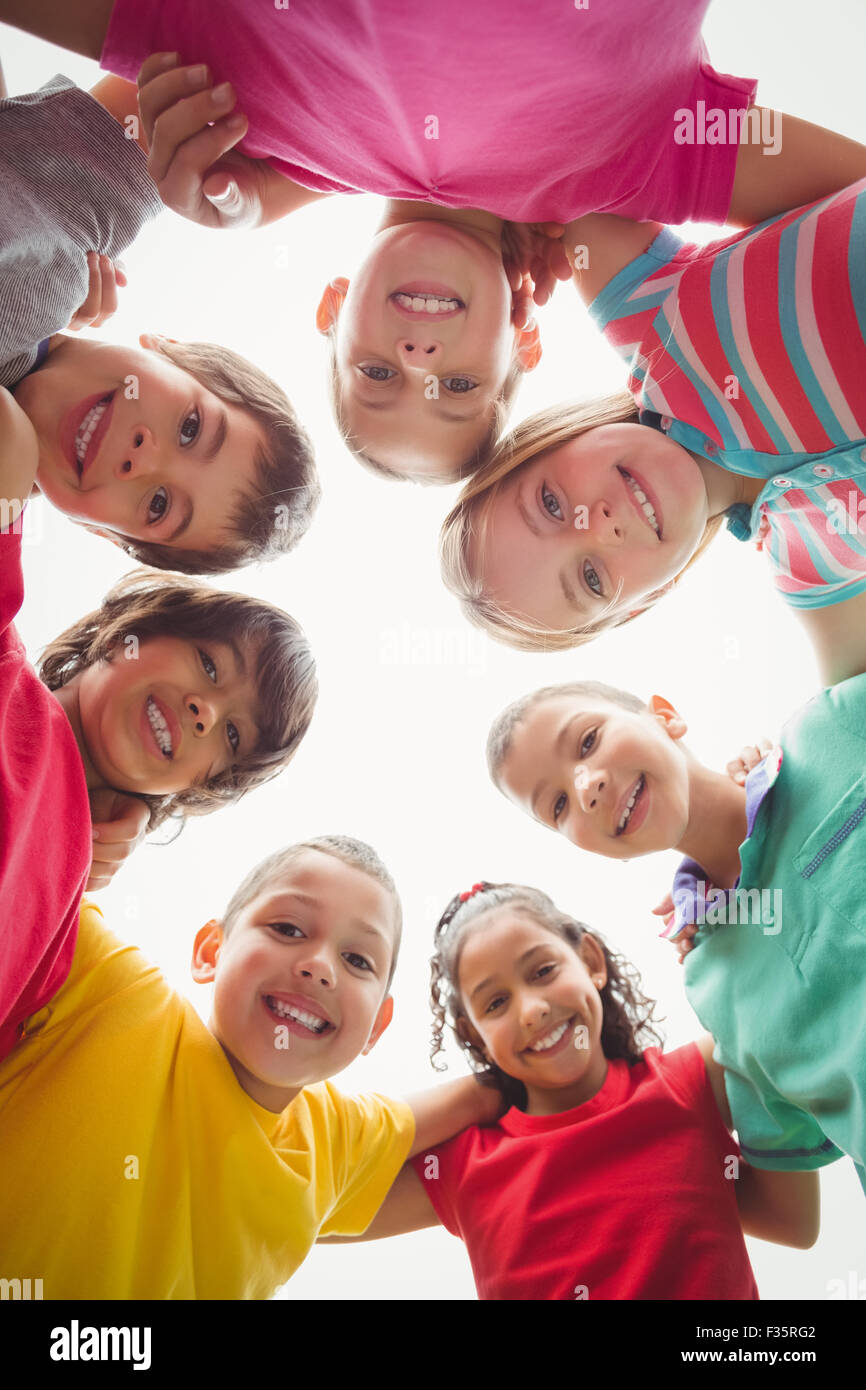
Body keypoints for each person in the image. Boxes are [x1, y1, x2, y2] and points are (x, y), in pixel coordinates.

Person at [0, 837, 503, 1298]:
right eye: (287, 928)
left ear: (377, 1026)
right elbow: (27, 857)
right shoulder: (113, 990)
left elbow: (488, 1097)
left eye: (357, 960)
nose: (320, 967)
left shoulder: (332, 1139)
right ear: (210, 952)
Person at [440, 174, 866, 685]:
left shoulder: (649, 309)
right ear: (644, 605)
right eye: (592, 579)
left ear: (553, 438)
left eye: (551, 504)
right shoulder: (813, 569)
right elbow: (846, 715)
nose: (598, 526)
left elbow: (554, 151)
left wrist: (501, 236)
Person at [321, 882, 818, 1300]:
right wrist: (475, 1095)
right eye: (495, 1004)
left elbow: (784, 1019)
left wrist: (725, 911)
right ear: (476, 1039)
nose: (531, 1010)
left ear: (590, 961)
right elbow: (310, 1201)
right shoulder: (466, 1167)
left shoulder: (689, 1083)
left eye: (542, 971)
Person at [486, 677, 866, 1193]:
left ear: (664, 715)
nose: (586, 789)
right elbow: (790, 1173)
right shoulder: (712, 984)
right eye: (557, 807)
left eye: (588, 741)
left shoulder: (833, 730)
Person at [0, 508, 316, 1060]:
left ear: (200, 785)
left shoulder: (70, 924)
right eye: (211, 666)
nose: (206, 713)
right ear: (135, 628)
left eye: (233, 736)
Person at [0, 72, 319, 572]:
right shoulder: (86, 220)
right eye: (191, 428)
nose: (141, 460)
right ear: (170, 350)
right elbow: (220, 62)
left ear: (99, 532)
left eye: (158, 506)